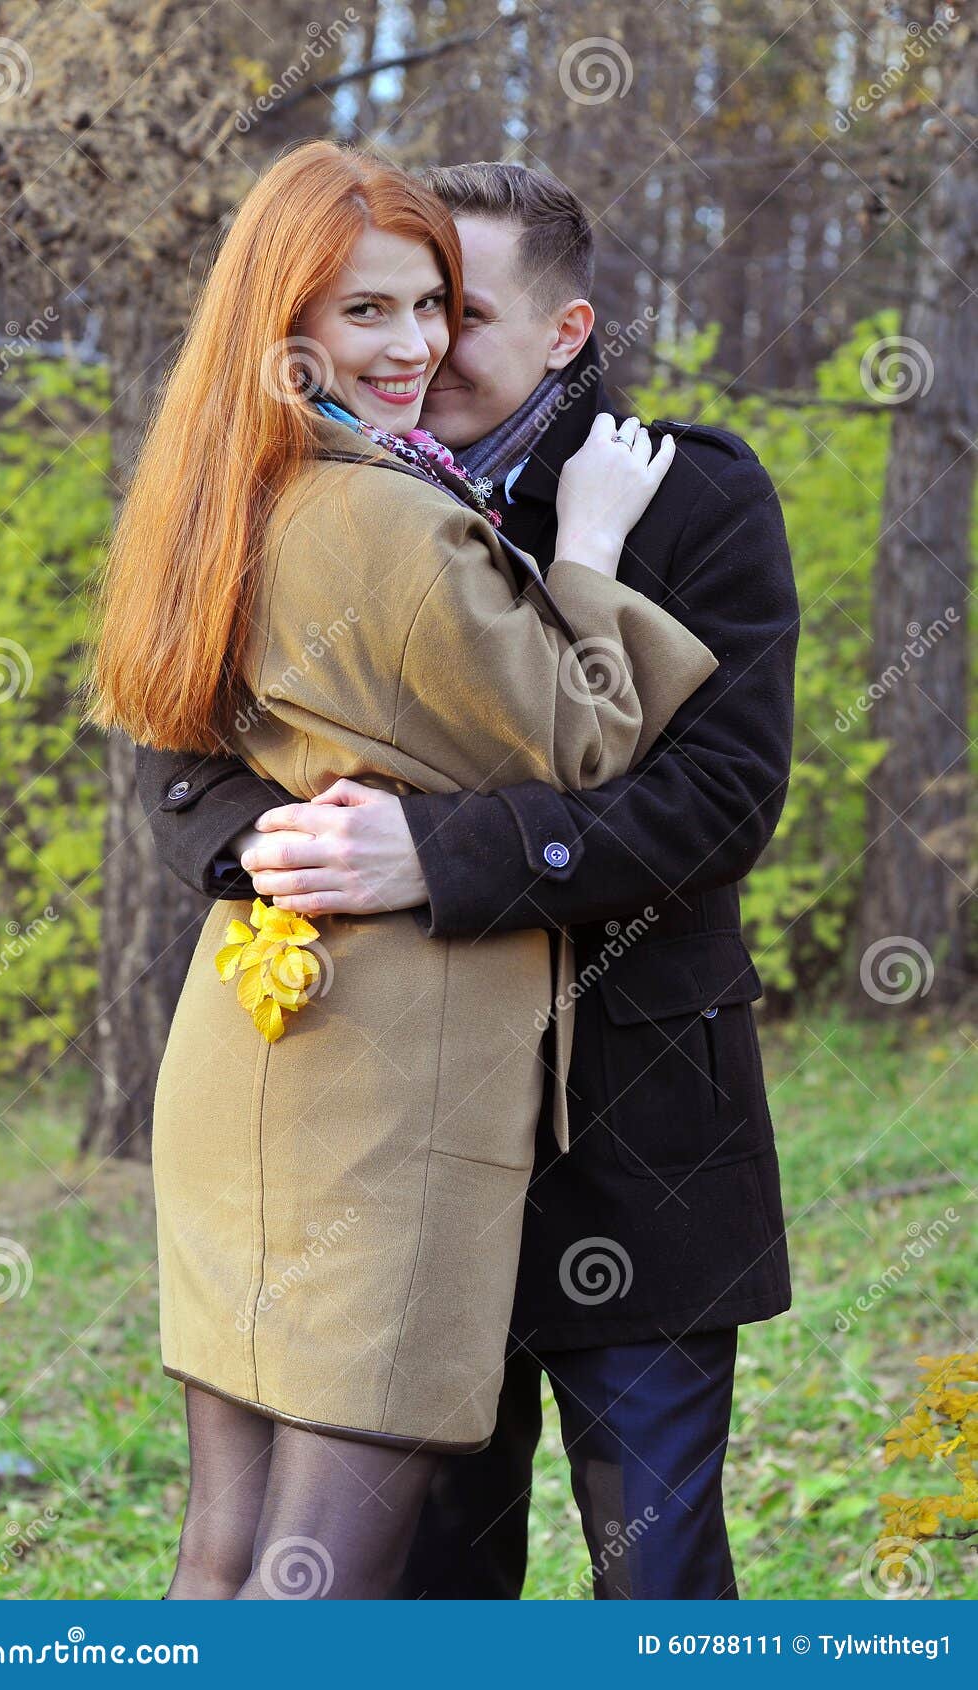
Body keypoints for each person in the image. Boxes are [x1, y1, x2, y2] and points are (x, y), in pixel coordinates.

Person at [137, 160, 799, 1602]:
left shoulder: (691, 494)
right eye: (385, 305)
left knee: (661, 1572)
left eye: (453, 309)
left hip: (632, 1130)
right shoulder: (319, 478)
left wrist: (436, 857)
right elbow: (187, 757)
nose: (420, 347)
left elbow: (720, 800)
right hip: (386, 1119)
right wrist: (280, 842)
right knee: (425, 1579)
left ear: (564, 334)